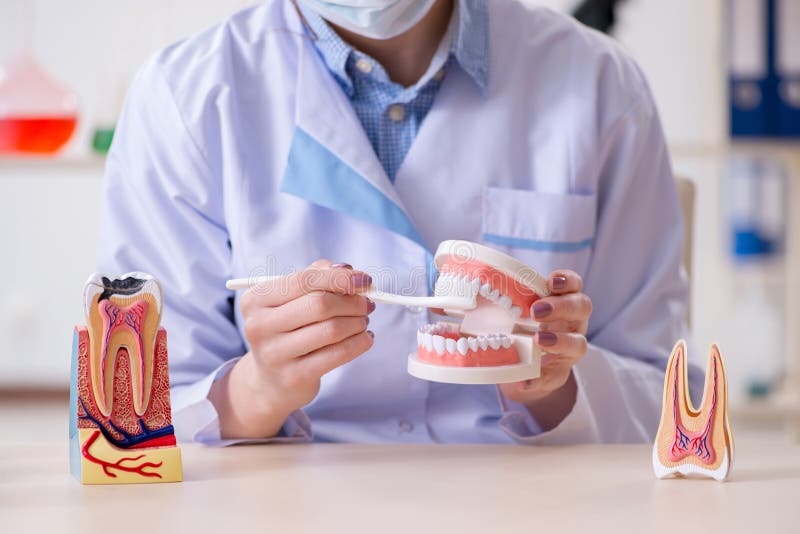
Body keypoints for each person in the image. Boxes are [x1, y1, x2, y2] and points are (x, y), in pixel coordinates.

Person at [97, 0, 701, 445]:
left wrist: (557, 387)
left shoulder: (600, 85)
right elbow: (128, 422)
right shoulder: (185, 95)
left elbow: (668, 398)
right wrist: (259, 389)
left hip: (530, 503)